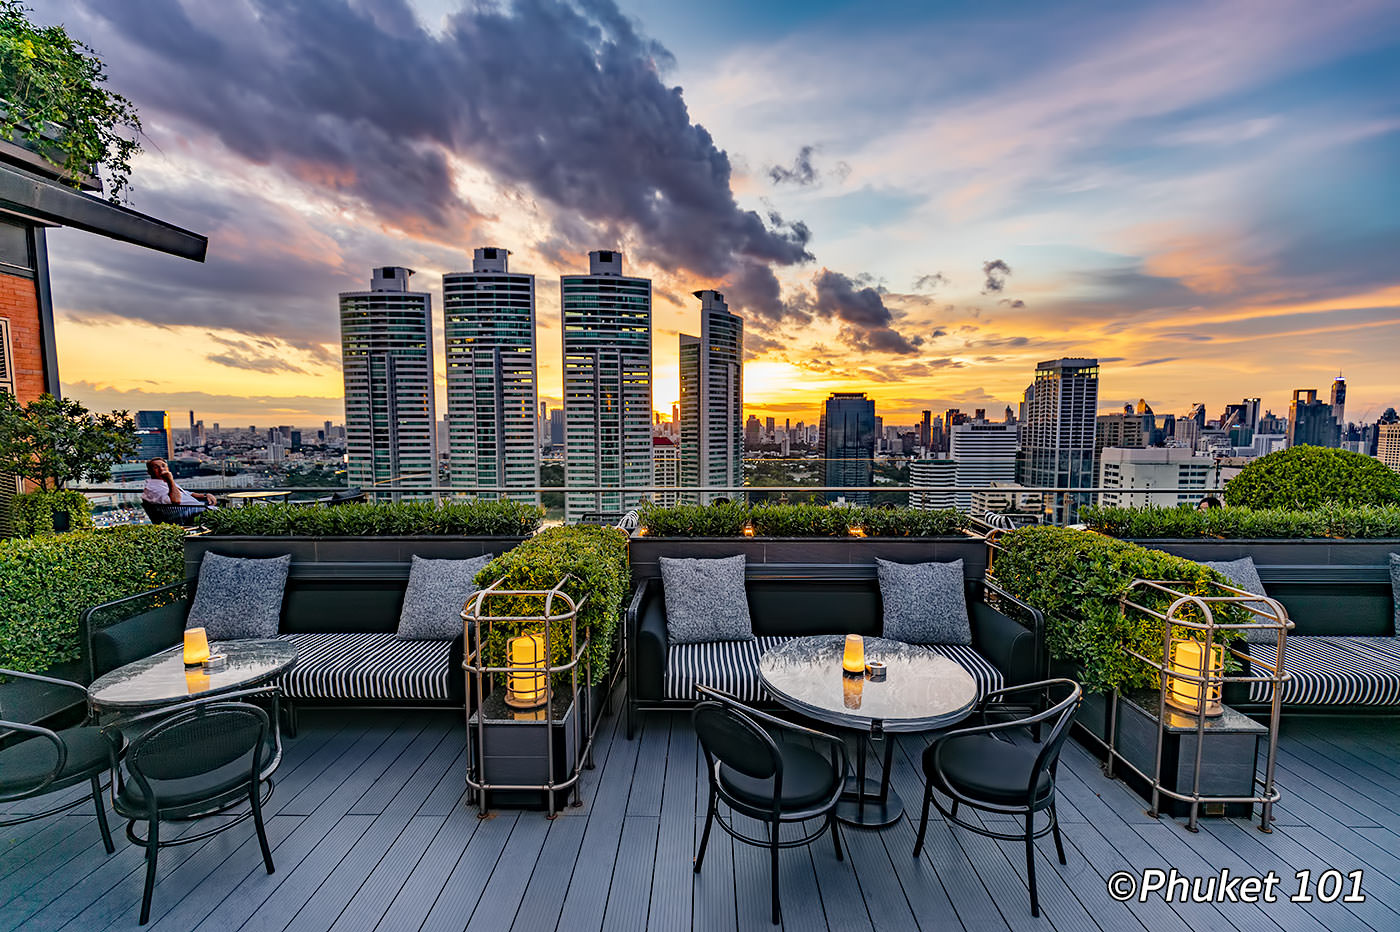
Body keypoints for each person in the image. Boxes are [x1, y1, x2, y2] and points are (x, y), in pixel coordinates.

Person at [142, 458, 217, 507]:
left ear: (168, 468)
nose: (161, 469)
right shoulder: (152, 488)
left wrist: (205, 495)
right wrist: (170, 480)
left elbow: (186, 493)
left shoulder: (163, 483)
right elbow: (176, 501)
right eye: (156, 467)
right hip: (191, 516)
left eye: (163, 466)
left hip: (198, 509)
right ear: (149, 472)